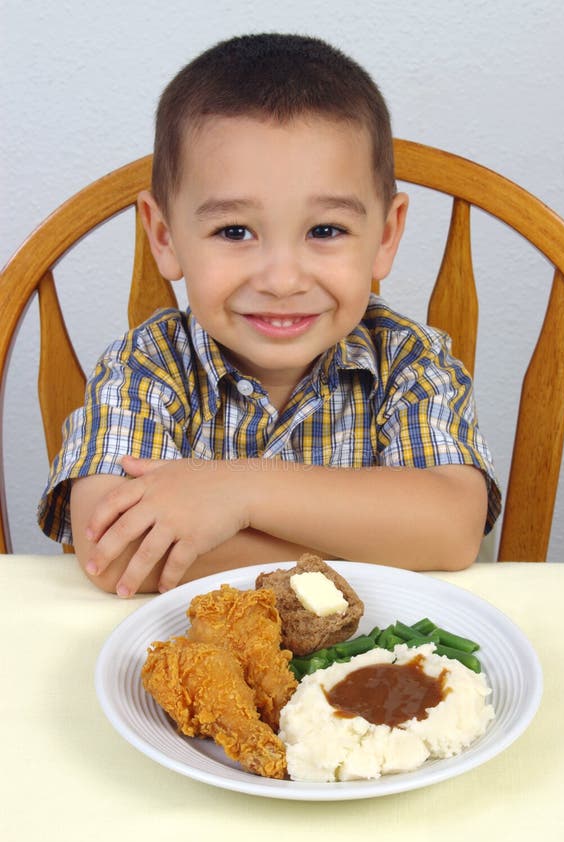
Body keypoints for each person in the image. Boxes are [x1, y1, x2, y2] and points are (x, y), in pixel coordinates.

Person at [38, 33, 501, 597]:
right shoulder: (148, 366)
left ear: (385, 235)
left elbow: (452, 529)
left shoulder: (409, 359)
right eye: (234, 231)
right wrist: (372, 542)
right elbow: (116, 553)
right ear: (164, 236)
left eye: (325, 230)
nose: (282, 280)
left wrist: (241, 491)